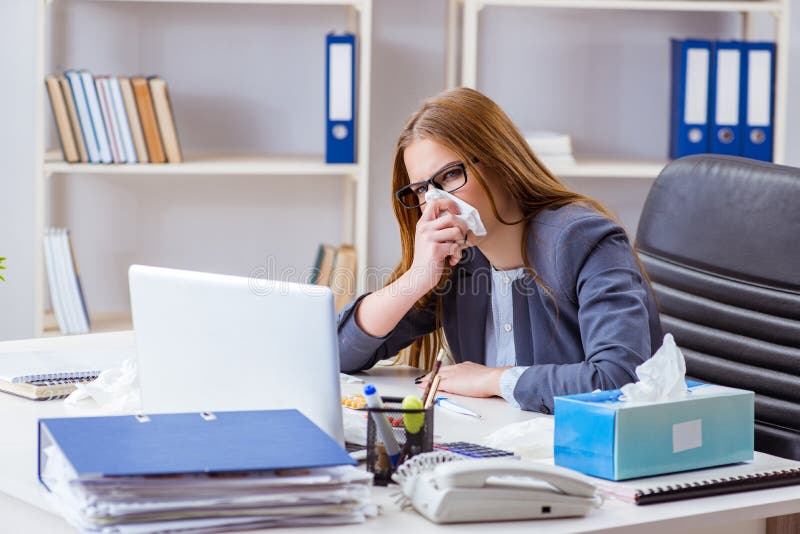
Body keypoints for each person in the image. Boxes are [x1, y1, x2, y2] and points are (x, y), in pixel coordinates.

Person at [337, 87, 662, 413]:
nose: (437, 202)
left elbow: (621, 380)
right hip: (490, 444)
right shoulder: (456, 259)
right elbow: (335, 351)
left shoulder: (584, 240)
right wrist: (416, 279)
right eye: (422, 189)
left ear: (499, 161)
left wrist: (493, 379)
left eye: (450, 175)